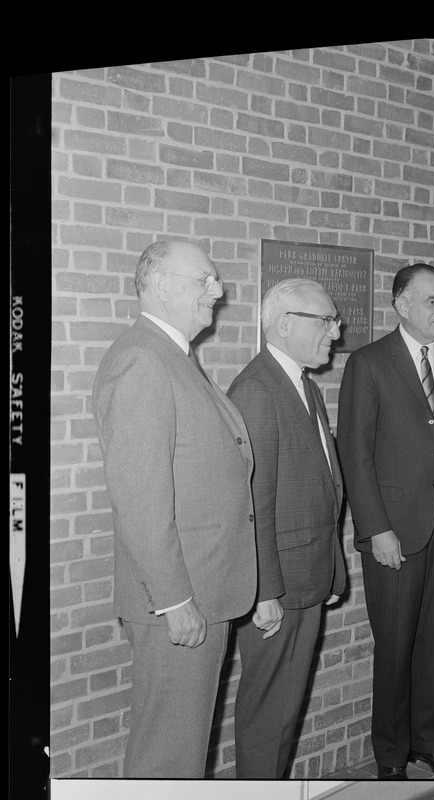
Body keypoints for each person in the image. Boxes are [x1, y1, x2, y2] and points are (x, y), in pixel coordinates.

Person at [92, 240, 257, 777]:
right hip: (181, 599)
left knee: (181, 752)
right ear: (161, 285)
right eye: (204, 279)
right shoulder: (143, 359)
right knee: (168, 758)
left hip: (203, 587)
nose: (219, 290)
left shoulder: (173, 355)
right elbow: (140, 497)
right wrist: (173, 599)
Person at [337, 263, 434, 780]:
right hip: (393, 534)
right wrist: (376, 528)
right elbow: (354, 454)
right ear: (401, 304)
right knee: (396, 647)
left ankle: (430, 742)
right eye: (431, 301)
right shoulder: (370, 363)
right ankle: (390, 757)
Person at [226, 279, 347, 778]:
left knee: (285, 710)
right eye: (326, 320)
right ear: (284, 324)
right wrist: (265, 592)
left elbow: (322, 485)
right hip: (278, 587)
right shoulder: (256, 390)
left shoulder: (304, 385)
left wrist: (332, 571)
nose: (336, 332)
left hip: (307, 576)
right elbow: (254, 502)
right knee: (267, 715)